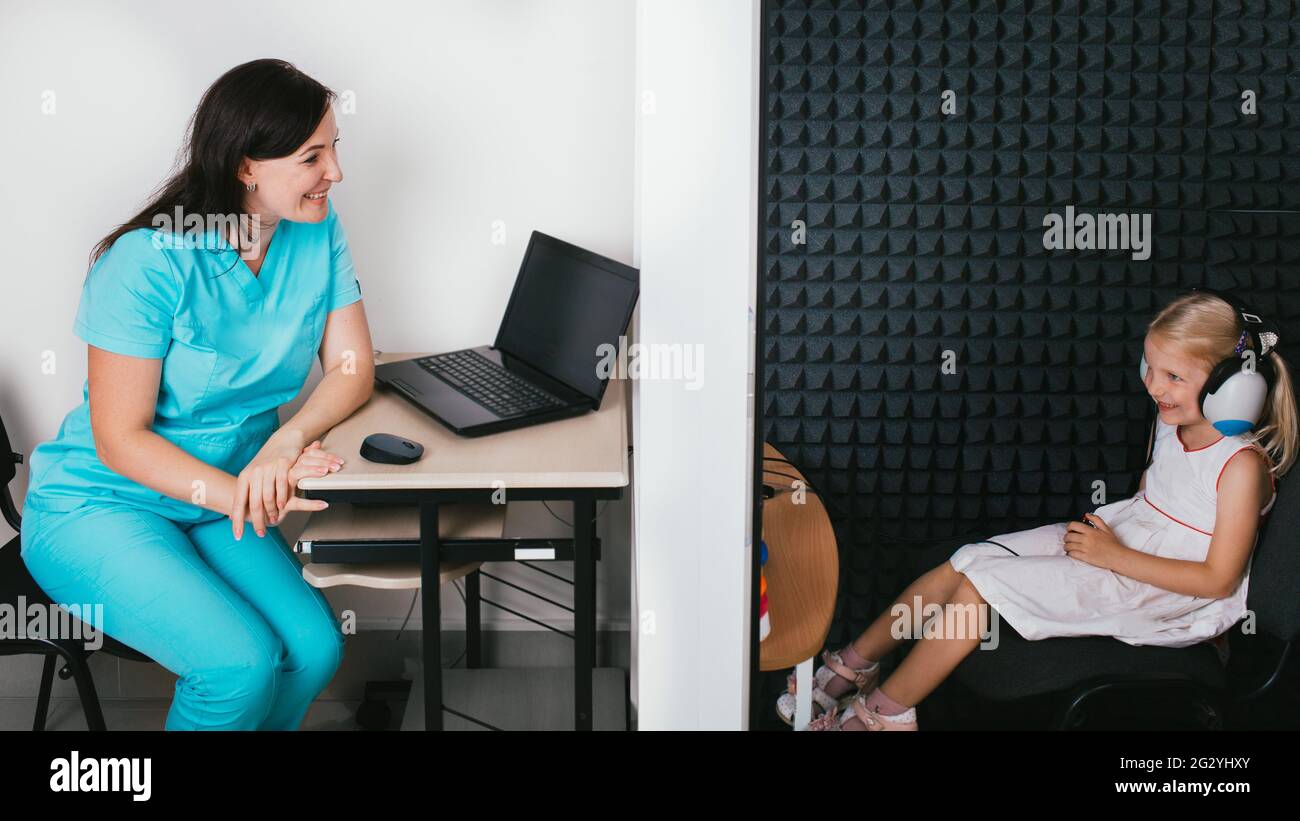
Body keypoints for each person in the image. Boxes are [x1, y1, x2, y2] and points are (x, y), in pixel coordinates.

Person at [20, 58, 376, 730]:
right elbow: (119, 438)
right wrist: (243, 491)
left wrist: (283, 441)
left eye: (334, 148)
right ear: (247, 166)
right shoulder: (147, 262)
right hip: (99, 504)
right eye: (312, 156)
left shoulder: (316, 228)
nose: (336, 172)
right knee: (236, 665)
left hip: (220, 494)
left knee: (313, 647)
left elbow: (354, 366)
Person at [778, 291, 1297, 731]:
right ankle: (852, 665)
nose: (1154, 387)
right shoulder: (1174, 418)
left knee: (979, 588)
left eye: (1173, 377)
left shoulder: (1241, 467)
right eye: (1151, 368)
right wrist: (1113, 540)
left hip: (1169, 591)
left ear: (1231, 387)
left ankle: (884, 716)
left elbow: (1216, 579)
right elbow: (1154, 493)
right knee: (966, 560)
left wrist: (1111, 555)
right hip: (1124, 543)